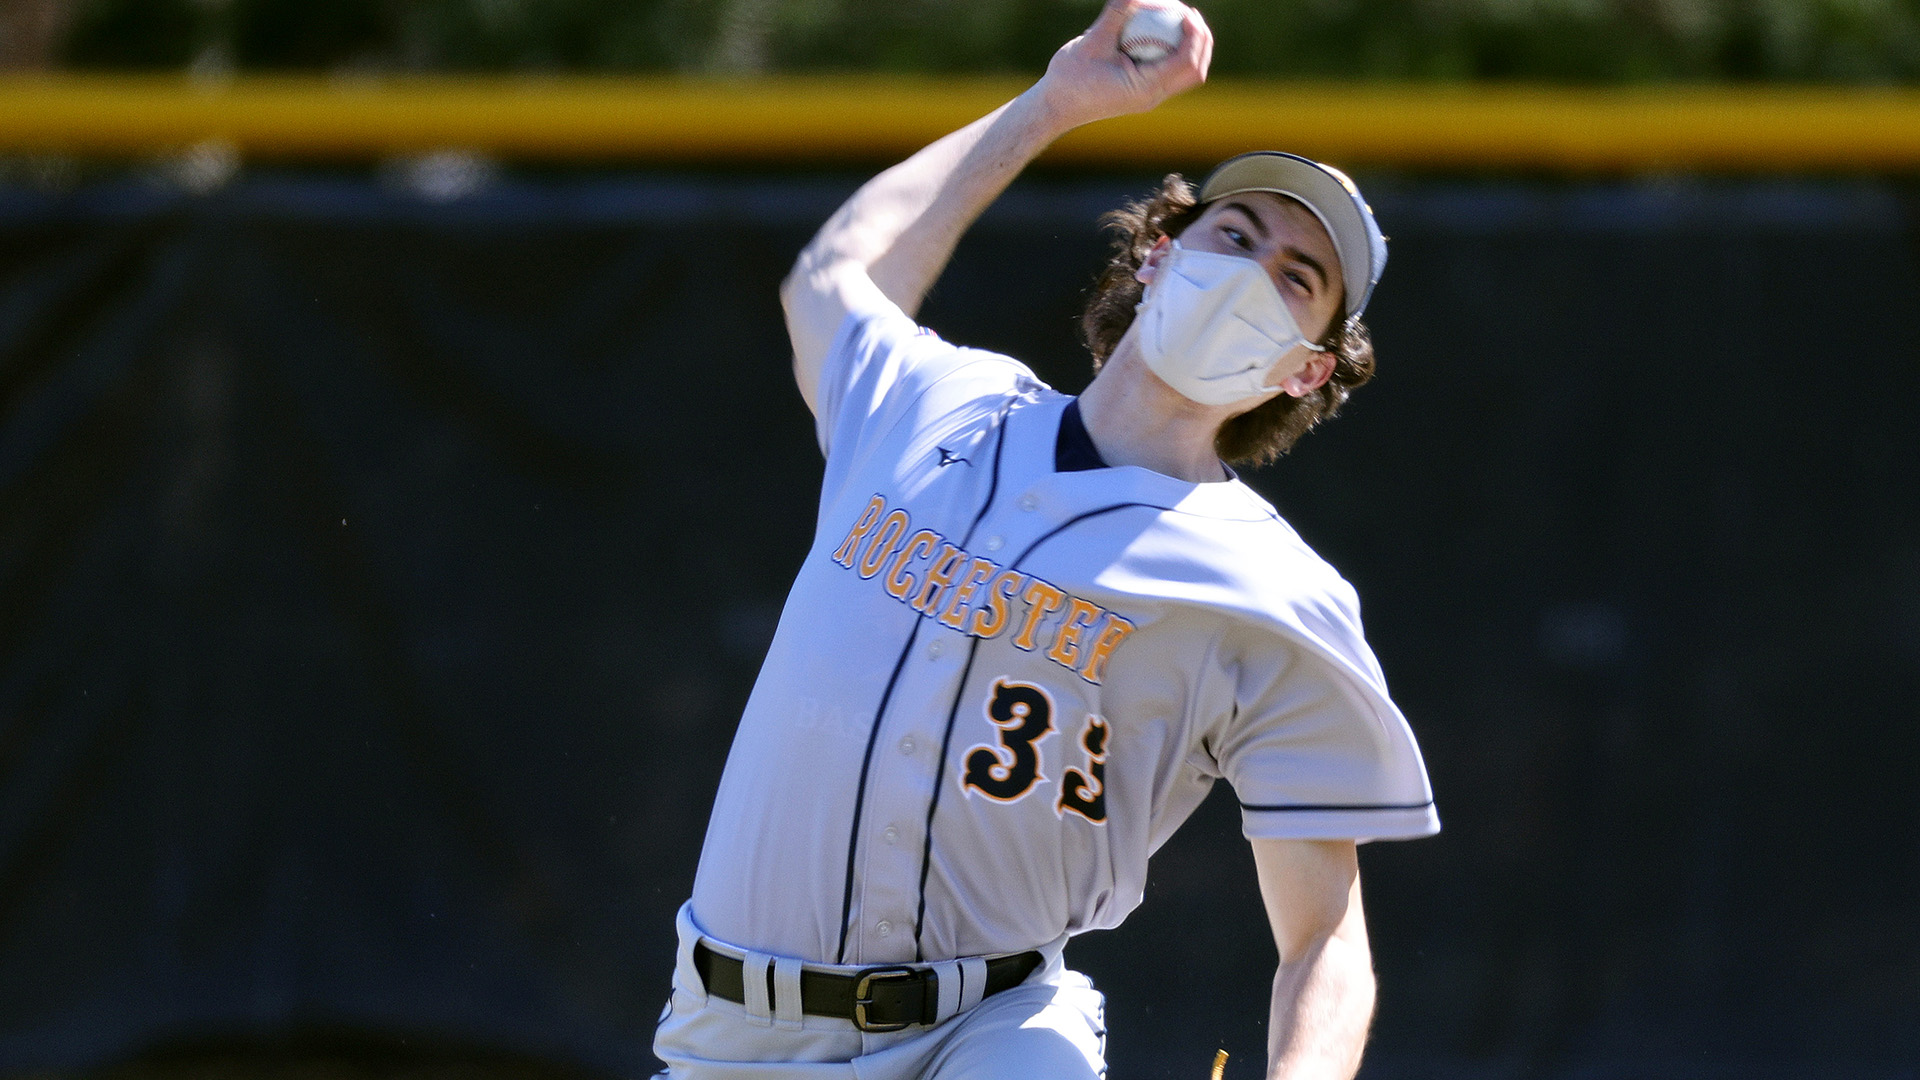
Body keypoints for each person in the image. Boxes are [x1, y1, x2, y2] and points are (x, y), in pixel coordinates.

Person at [653, 2, 1438, 1077]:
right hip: (728, 1033)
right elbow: (834, 276)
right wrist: (1051, 104)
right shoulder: (934, 401)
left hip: (994, 1030)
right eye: (1235, 234)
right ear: (1160, 252)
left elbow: (1326, 938)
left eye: (1297, 278)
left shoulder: (1270, 591)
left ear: (1309, 366)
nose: (1253, 271)